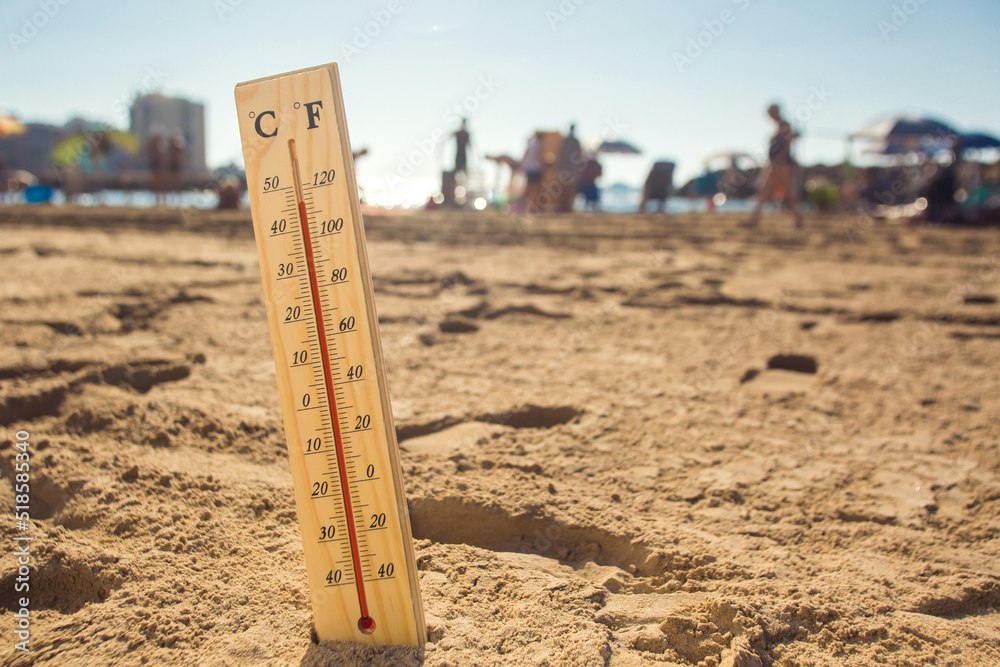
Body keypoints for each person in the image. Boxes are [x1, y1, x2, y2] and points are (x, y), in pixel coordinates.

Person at [746, 103, 804, 228]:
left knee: (765, 190)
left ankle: (754, 219)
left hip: (779, 165)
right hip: (777, 164)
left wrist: (778, 162)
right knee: (786, 193)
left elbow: (787, 145)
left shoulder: (783, 125)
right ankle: (798, 219)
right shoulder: (779, 125)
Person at [556, 123, 582, 212]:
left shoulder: (569, 141)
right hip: (569, 168)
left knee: (567, 188)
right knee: (566, 188)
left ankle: (566, 206)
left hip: (568, 168)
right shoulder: (571, 141)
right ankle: (564, 206)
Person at [523, 131, 544, 211]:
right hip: (536, 169)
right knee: (536, 189)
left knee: (529, 188)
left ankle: (528, 206)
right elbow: (540, 157)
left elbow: (525, 156)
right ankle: (534, 207)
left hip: (529, 169)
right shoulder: (540, 145)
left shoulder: (530, 144)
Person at [144, 131, 167, 206]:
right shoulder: (154, 146)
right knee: (157, 183)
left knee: (161, 183)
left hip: (158, 165)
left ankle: (161, 200)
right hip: (156, 165)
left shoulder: (160, 145)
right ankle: (158, 200)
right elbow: (149, 155)